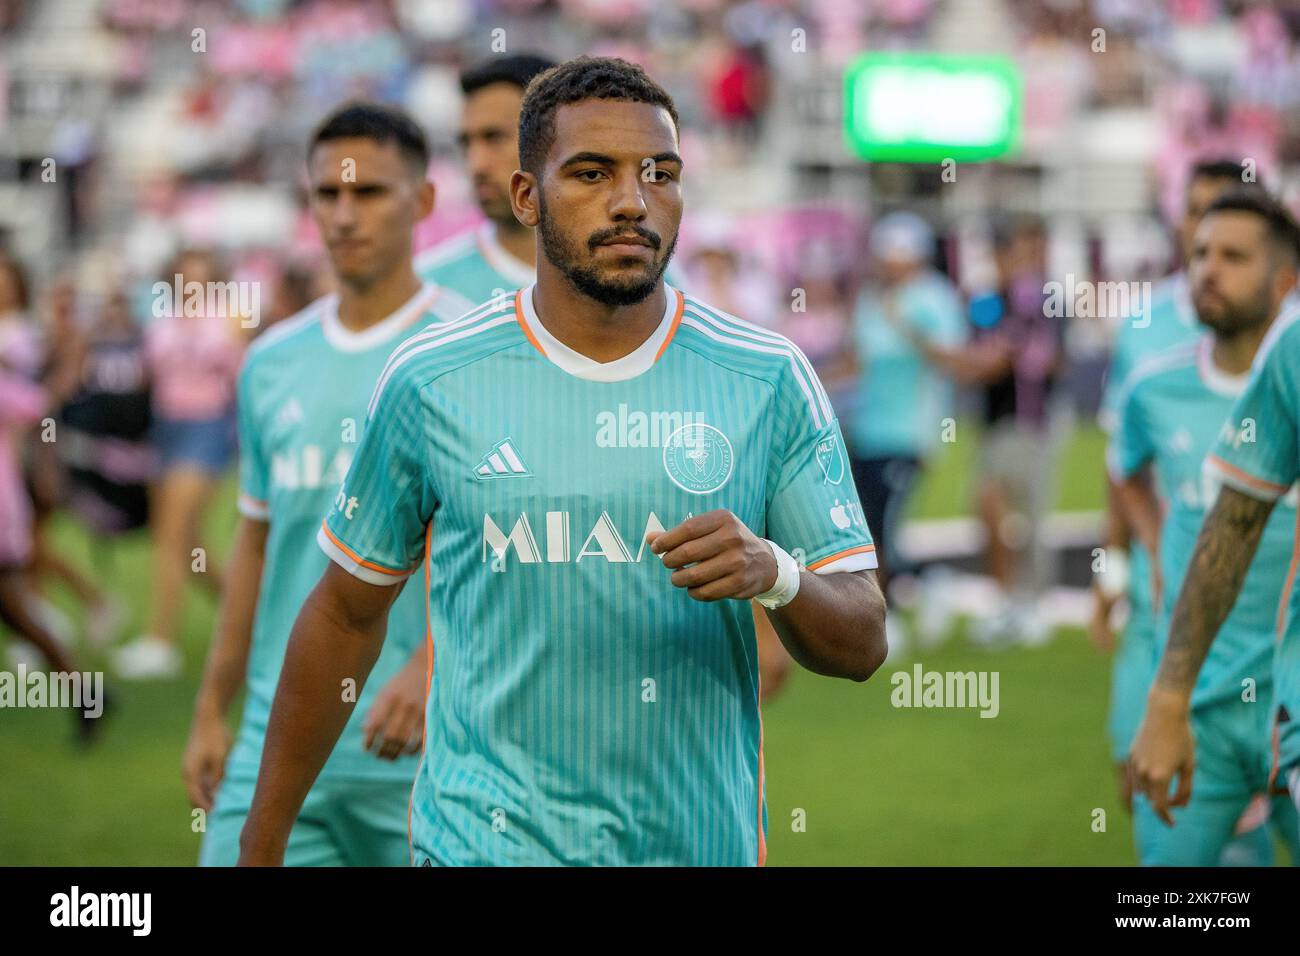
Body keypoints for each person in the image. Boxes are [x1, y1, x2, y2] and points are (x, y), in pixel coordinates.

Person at [238, 56, 887, 867]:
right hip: (482, 847)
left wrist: (776, 573)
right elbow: (343, 614)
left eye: (660, 174)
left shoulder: (767, 378)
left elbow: (862, 641)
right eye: (591, 173)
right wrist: (258, 847)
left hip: (696, 846)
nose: (631, 201)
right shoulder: (431, 379)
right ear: (525, 196)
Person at [185, 102, 473, 867]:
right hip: (276, 747)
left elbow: (502, 555)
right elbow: (256, 547)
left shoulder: (471, 352)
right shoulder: (271, 360)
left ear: (423, 202)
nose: (344, 215)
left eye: (369, 192)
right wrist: (213, 707)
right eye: (327, 194)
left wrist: (429, 664)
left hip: (426, 749)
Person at [1121, 190, 1300, 864]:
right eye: (1199, 254)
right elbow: (1130, 475)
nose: (1207, 271)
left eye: (1232, 256)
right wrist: (1132, 564)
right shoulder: (1155, 385)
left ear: (1284, 279)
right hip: (1203, 695)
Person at [1094, 160, 1257, 811]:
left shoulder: (1287, 333)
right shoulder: (1143, 325)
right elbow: (1121, 459)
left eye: (1223, 213)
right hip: (1162, 588)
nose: (1205, 228)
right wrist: (1115, 570)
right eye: (1196, 212)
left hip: (1268, 601)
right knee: (1139, 765)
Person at [114, 248, 247, 679]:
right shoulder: (161, 319)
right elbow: (146, 375)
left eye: (201, 277)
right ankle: (252, 620)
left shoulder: (228, 317)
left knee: (171, 534)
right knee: (188, 543)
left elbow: (245, 377)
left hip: (207, 428)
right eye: (185, 277)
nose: (192, 286)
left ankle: (160, 640)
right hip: (165, 428)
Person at [849, 212, 965, 604]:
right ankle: (925, 584)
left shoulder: (935, 297)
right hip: (868, 429)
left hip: (909, 431)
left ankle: (888, 611)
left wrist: (908, 328)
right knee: (865, 528)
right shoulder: (871, 297)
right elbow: (861, 359)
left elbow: (951, 358)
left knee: (883, 524)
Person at [415, 54, 555, 304]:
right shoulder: (427, 293)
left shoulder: (629, 272)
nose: (475, 164)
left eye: (494, 137)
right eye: (467, 144)